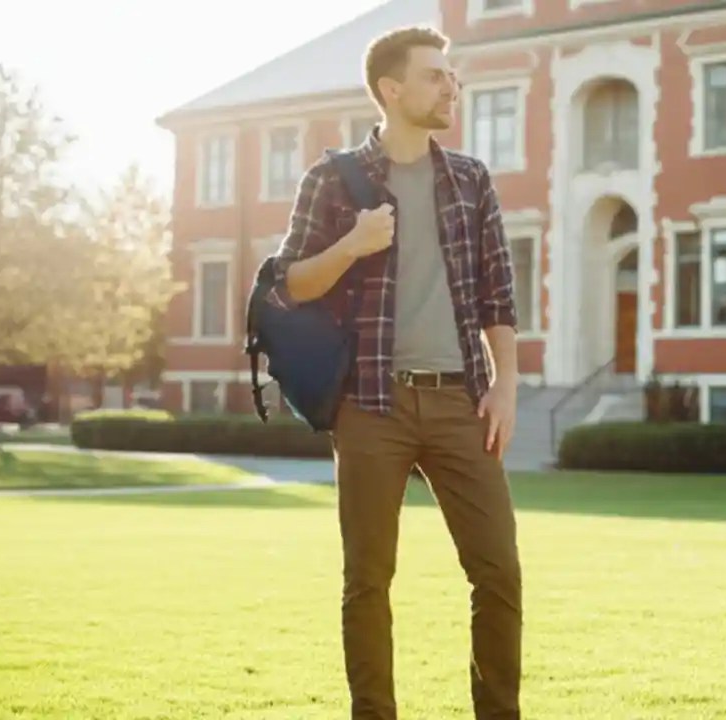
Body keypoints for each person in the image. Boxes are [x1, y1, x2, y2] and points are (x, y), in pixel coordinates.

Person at [266, 25, 522, 720]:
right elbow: (290, 285)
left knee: (498, 571)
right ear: (392, 89)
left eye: (452, 74)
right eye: (436, 74)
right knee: (368, 581)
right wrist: (352, 244)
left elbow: (499, 293)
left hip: (460, 404)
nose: (451, 86)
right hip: (369, 406)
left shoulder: (470, 180)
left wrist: (505, 385)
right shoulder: (332, 179)